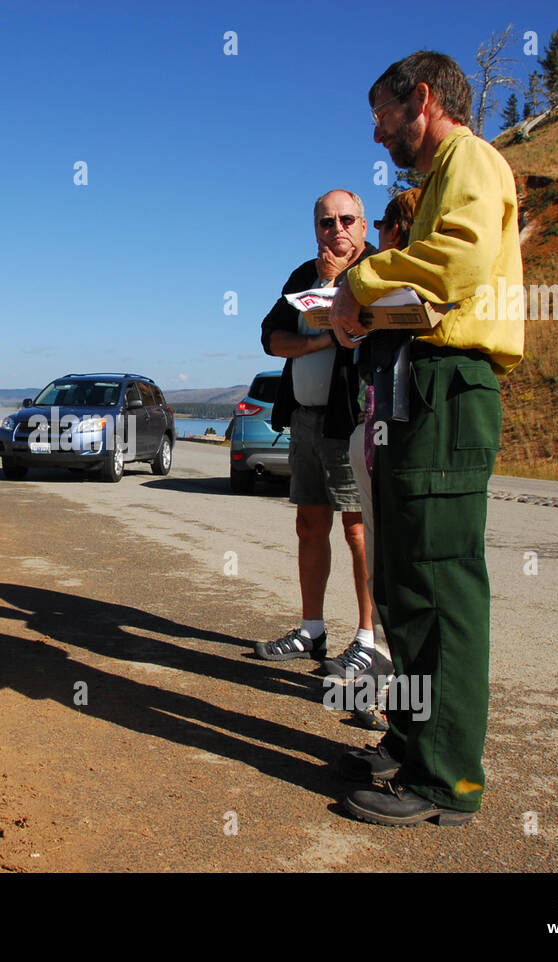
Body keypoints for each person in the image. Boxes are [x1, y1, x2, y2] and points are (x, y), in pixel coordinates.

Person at [328, 51, 524, 826]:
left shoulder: (472, 159)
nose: (377, 135)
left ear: (423, 99)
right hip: (417, 385)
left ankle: (447, 781)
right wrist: (362, 310)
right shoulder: (438, 178)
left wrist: (357, 284)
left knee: (441, 585)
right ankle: (411, 742)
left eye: (382, 115)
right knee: (405, 579)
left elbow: (459, 262)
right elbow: (431, 283)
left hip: (450, 388)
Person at [255, 190, 378, 678]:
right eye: (326, 222)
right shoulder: (302, 274)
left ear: (363, 226)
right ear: (315, 228)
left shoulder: (376, 270)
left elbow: (367, 329)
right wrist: (322, 337)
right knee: (310, 524)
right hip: (305, 416)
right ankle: (312, 629)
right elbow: (271, 339)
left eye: (346, 220)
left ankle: (368, 639)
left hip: (351, 418)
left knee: (357, 530)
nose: (336, 230)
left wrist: (335, 287)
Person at [343, 186, 422, 732]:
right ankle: (391, 693)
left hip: (384, 436)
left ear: (394, 232)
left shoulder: (396, 286)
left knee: (396, 568)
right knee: (399, 567)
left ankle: (397, 700)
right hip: (380, 436)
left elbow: (355, 341)